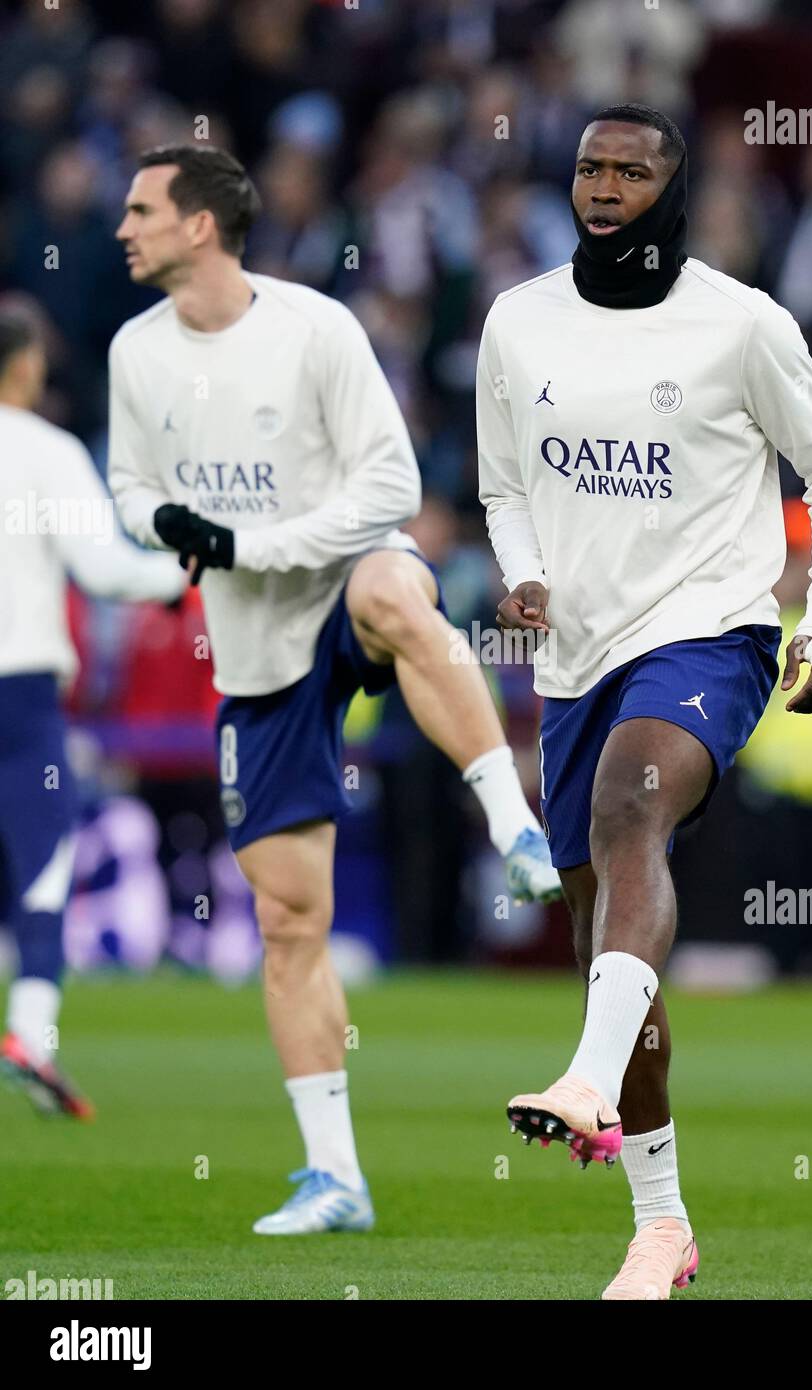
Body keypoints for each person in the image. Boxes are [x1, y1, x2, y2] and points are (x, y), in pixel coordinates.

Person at [107, 144, 560, 1236]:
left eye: (140, 209)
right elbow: (127, 485)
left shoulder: (316, 328)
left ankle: (515, 825)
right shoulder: (135, 351)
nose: (121, 228)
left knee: (401, 590)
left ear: (201, 224)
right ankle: (335, 1175)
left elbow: (393, 486)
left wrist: (250, 545)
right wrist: (163, 525)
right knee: (287, 919)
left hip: (342, 583)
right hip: (255, 648)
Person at [476, 103, 812, 1299]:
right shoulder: (517, 320)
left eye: (631, 171)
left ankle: (583, 1084)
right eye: (590, 166)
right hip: (577, 656)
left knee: (631, 806)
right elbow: (500, 486)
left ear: (672, 186)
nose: (605, 187)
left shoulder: (741, 323)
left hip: (712, 630)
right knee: (611, 939)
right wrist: (523, 570)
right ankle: (661, 1227)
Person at [0, 306, 185, 1118]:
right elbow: (103, 568)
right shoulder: (45, 450)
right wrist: (185, 570)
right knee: (41, 860)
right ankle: (31, 1033)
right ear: (26, 366)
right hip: (20, 695)